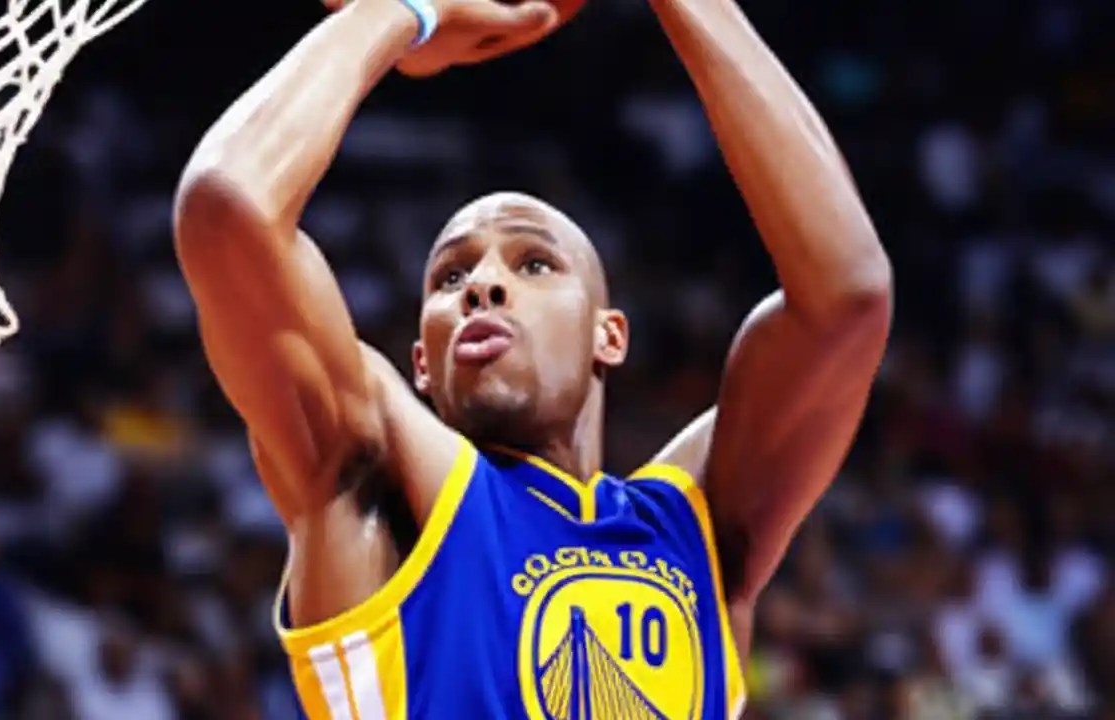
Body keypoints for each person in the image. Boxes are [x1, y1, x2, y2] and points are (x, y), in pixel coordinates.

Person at [173, 0, 892, 715]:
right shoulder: (381, 473)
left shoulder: (691, 528)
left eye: (535, 264)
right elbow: (228, 207)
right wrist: (404, 11)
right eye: (450, 278)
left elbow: (848, 297)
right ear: (423, 363)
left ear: (608, 336)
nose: (482, 285)